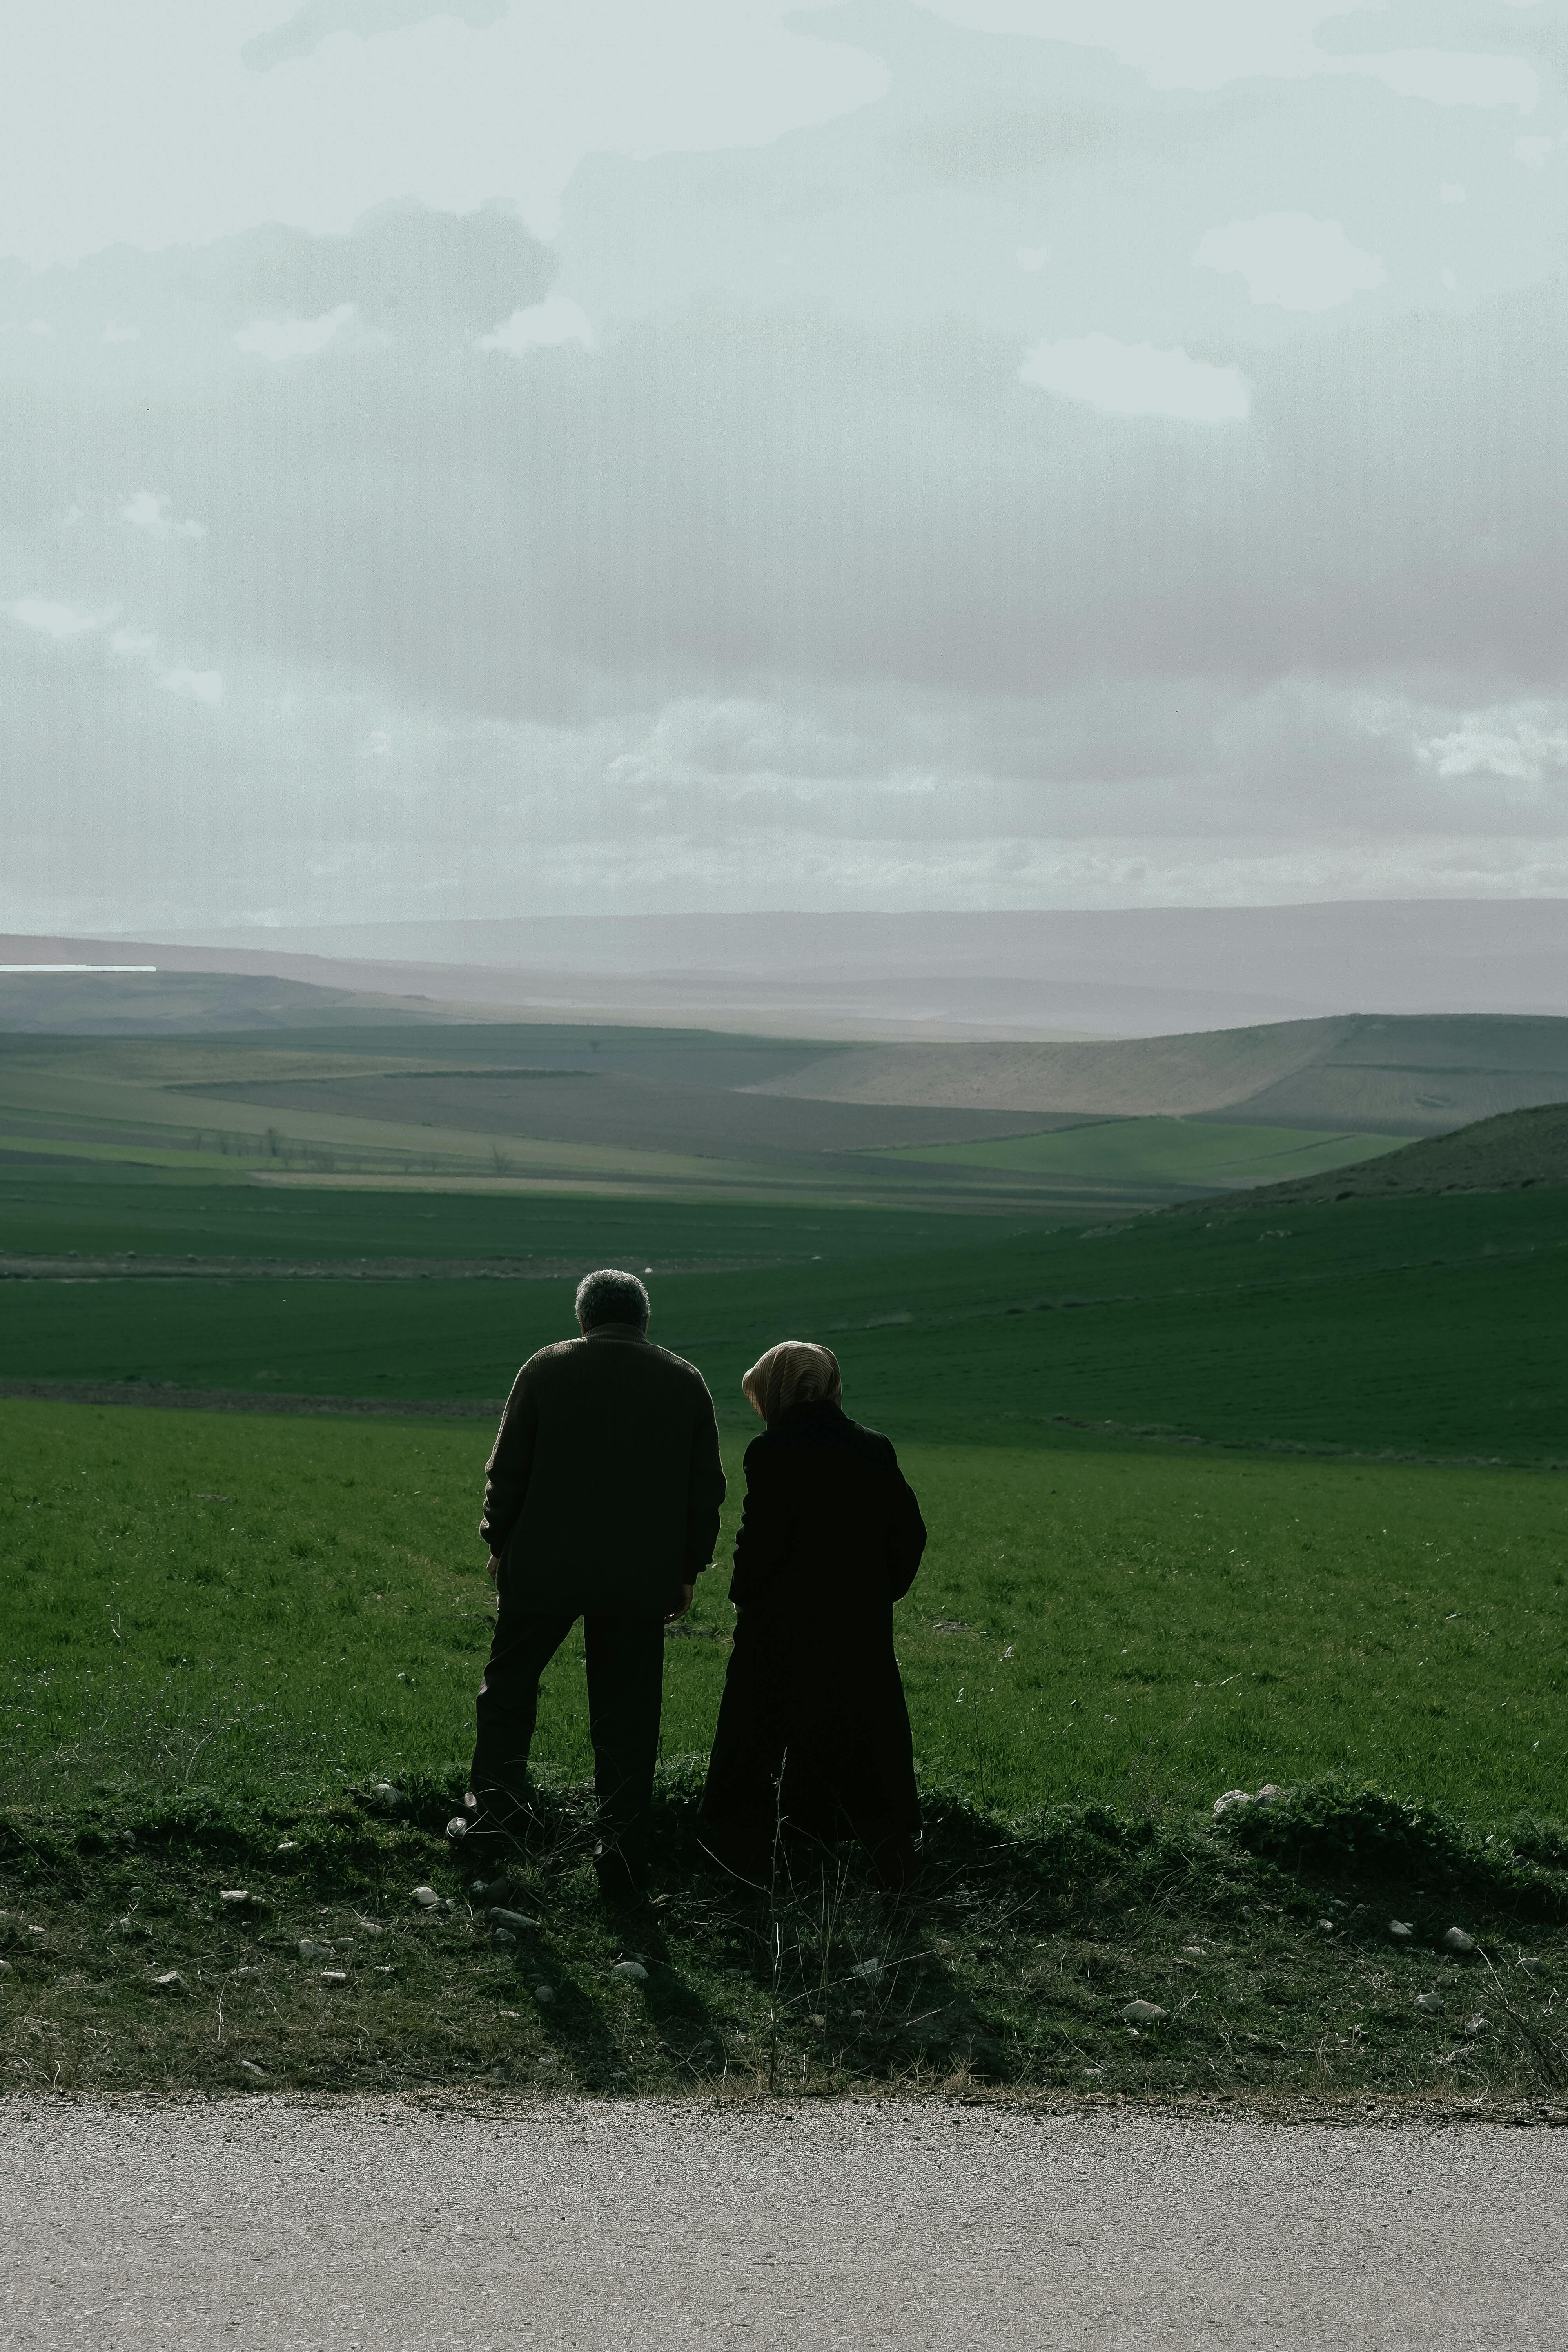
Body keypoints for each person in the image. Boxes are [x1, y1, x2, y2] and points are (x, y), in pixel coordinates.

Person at [467, 1267, 726, 1897]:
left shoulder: (545, 1367)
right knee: (627, 1717)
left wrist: (499, 1543)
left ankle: (494, 1822)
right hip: (639, 1578)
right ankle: (622, 1853)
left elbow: (508, 1470)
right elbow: (705, 1491)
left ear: (583, 1319)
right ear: (644, 1319)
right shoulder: (684, 1380)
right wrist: (687, 1570)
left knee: (508, 1693)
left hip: (543, 1567)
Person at [699, 1339, 926, 1887]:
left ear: (774, 1389)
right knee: (865, 1738)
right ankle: (886, 1867)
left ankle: (740, 1866)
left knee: (755, 1741)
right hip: (859, 1628)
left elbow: (762, 1542)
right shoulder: (875, 1448)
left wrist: (745, 1596)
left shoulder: (773, 1451)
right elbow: (910, 1535)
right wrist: (877, 1595)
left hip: (781, 1625)